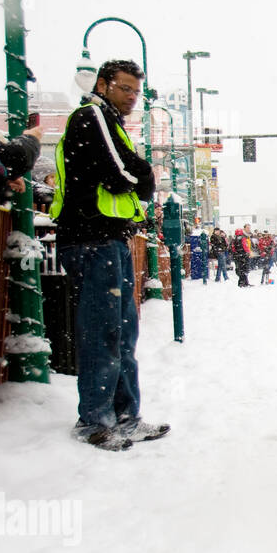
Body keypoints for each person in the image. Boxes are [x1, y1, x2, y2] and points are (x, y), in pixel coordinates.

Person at [50, 59, 169, 450]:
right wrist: (146, 175)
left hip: (110, 238)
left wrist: (138, 178)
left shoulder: (112, 122)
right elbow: (122, 172)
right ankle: (95, 421)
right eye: (125, 88)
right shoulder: (92, 115)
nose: (132, 97)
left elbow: (127, 176)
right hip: (90, 237)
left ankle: (125, 416)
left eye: (136, 91)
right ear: (103, 84)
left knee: (122, 331)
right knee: (103, 331)